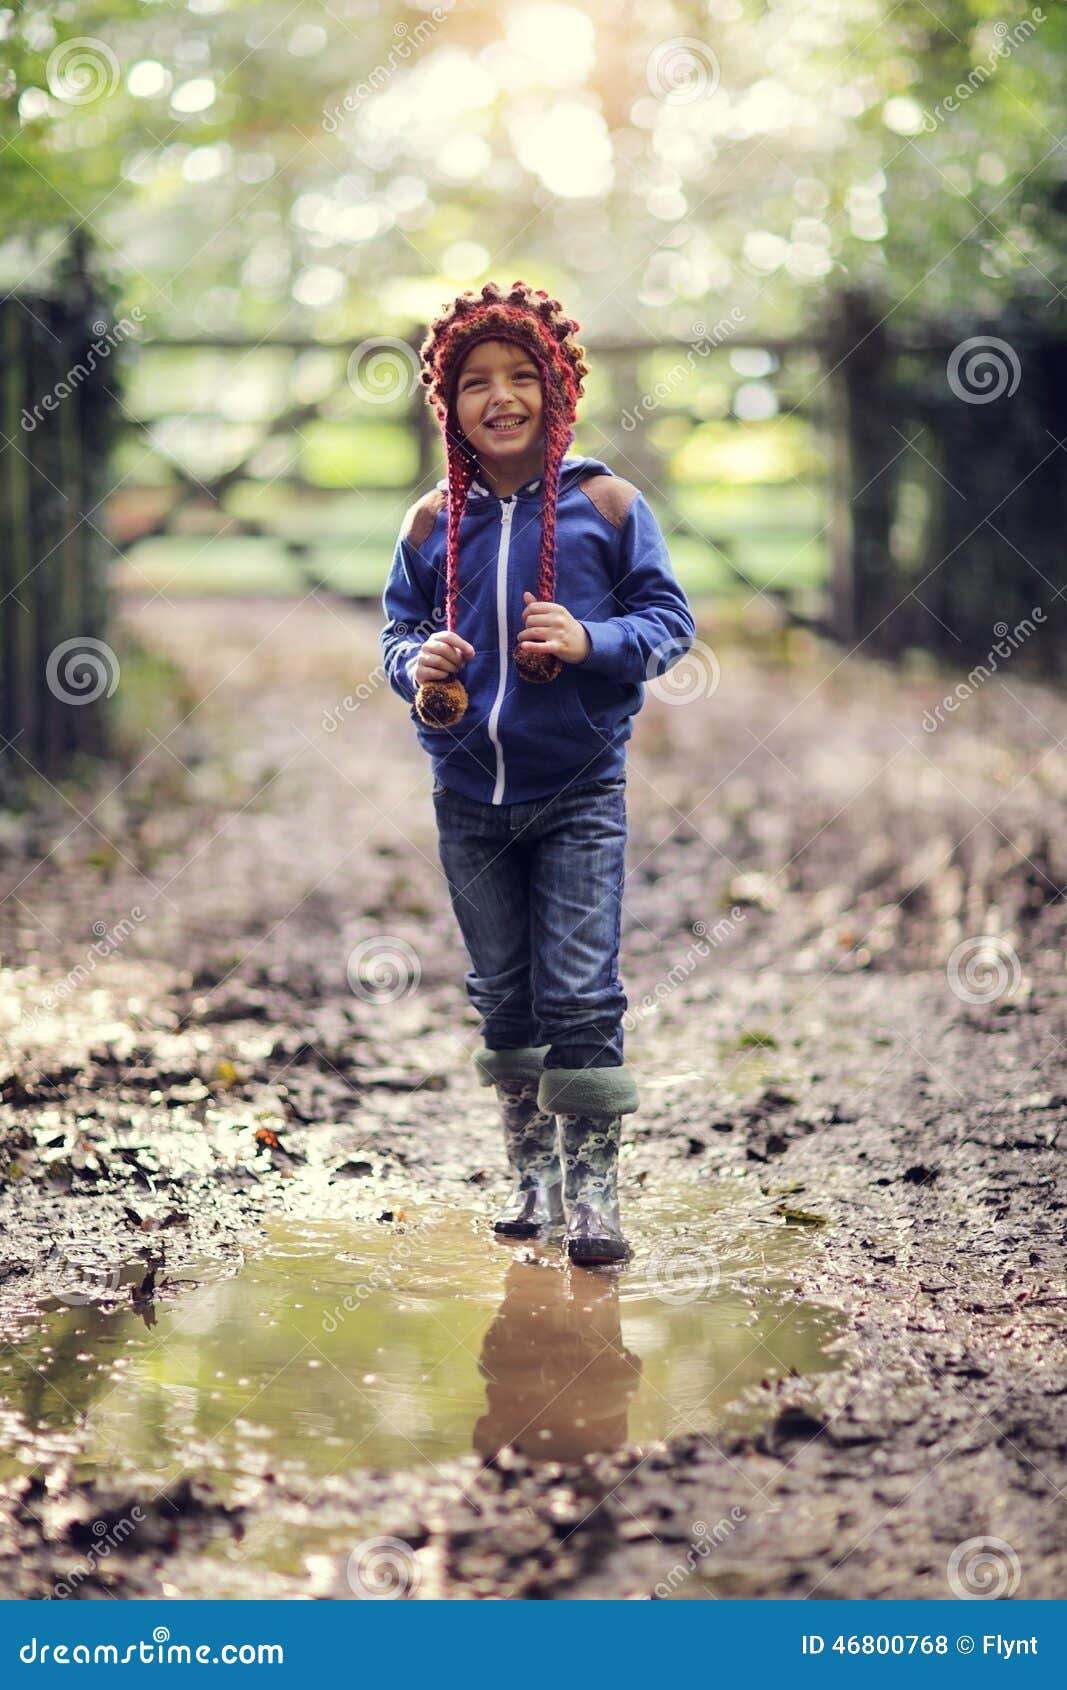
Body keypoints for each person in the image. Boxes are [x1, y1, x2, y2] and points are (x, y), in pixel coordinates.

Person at [379, 280, 695, 1264]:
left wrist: (591, 637)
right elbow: (396, 630)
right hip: (467, 794)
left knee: (579, 994)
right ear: (448, 404)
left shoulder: (607, 505)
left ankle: (595, 1193)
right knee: (502, 996)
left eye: (523, 374)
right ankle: (533, 1174)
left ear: (558, 388)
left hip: (579, 790)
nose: (500, 395)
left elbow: (668, 625)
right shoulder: (431, 521)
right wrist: (414, 663)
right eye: (475, 381)